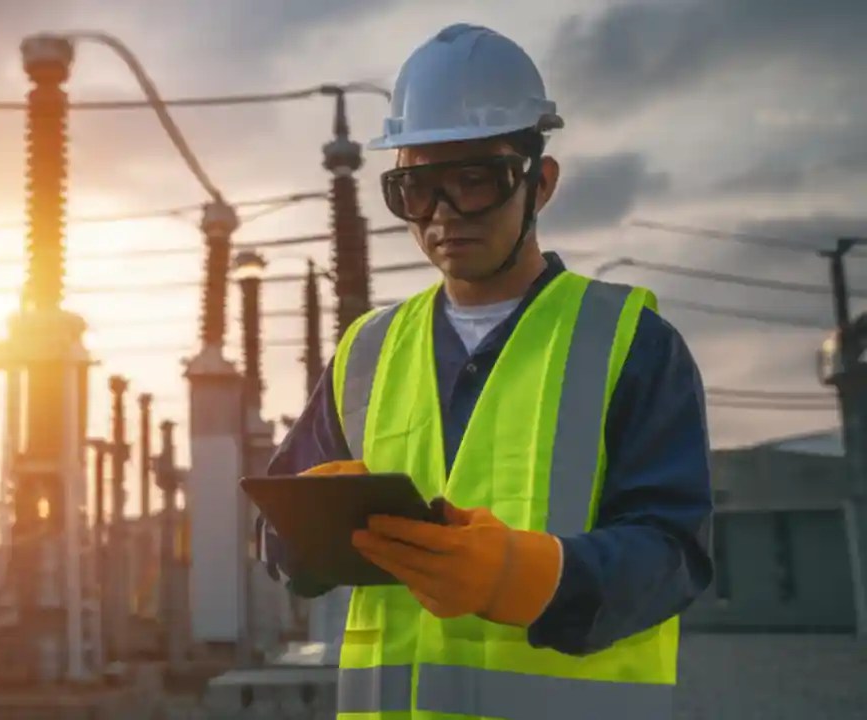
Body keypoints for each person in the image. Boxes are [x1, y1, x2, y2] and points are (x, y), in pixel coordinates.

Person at [258, 24, 714, 718]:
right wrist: (303, 533)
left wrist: (533, 578)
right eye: (416, 189)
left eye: (476, 181)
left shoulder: (629, 342)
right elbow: (280, 545)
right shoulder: (367, 352)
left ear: (542, 182)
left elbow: (674, 553)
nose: (444, 215)